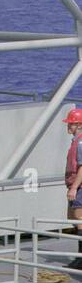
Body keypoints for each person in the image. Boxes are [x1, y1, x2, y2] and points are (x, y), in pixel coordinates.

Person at [63, 107, 82, 270]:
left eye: (72, 124)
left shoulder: (81, 142)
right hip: (75, 186)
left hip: (79, 187)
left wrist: (74, 187)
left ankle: (81, 258)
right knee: (74, 219)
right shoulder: (76, 142)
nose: (69, 126)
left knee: (80, 219)